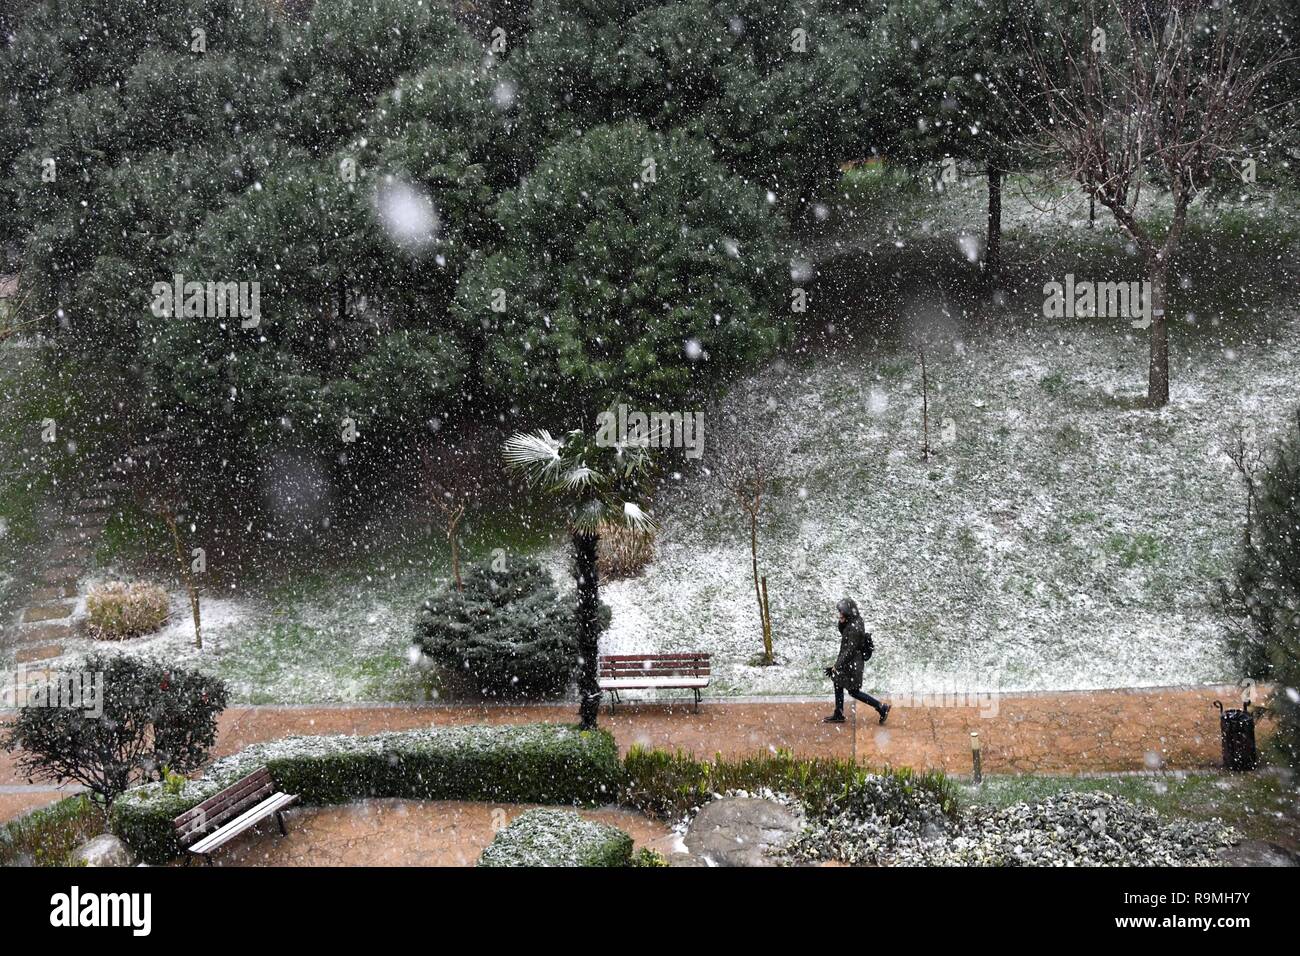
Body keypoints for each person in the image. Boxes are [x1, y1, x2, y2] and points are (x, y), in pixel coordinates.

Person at [823, 597, 890, 724]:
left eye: (842, 612)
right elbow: (843, 633)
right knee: (837, 681)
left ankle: (881, 707)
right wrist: (842, 622)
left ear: (848, 612)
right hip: (850, 662)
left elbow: (850, 650)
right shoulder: (852, 621)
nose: (840, 614)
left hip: (853, 663)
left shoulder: (854, 627)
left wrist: (837, 665)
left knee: (853, 691)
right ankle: (838, 713)